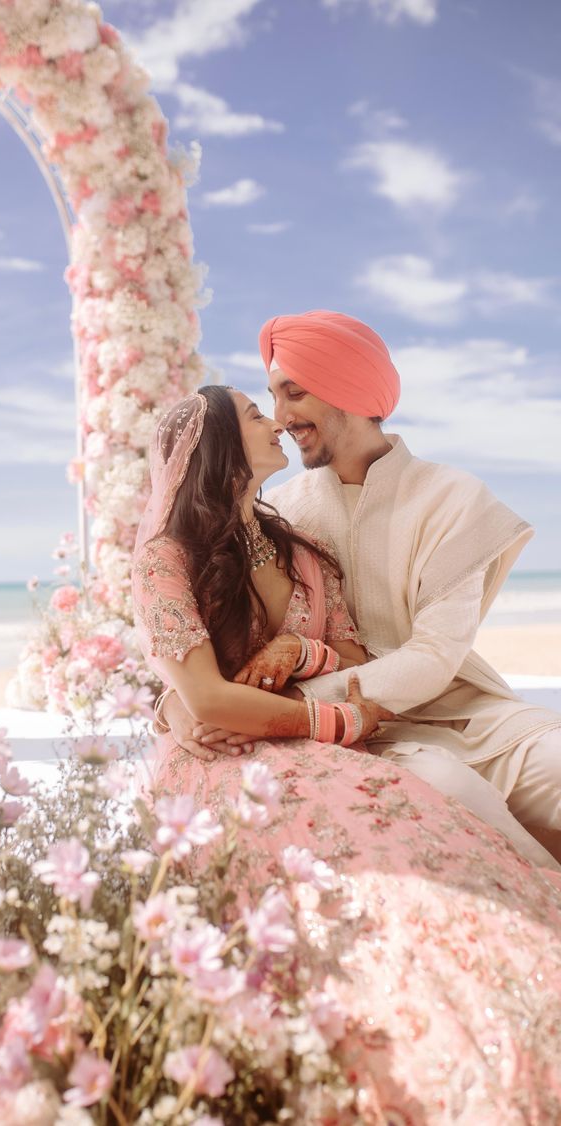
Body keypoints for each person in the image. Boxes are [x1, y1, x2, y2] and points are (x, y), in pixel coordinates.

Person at [131, 385, 561, 1117]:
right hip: (223, 763)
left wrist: (301, 654)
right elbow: (203, 700)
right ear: (222, 449)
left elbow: (354, 651)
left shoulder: (297, 542)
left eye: (278, 401)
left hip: (315, 738)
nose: (273, 419)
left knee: (452, 802)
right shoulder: (165, 558)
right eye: (256, 413)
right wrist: (193, 707)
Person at [164, 311, 561, 863]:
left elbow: (431, 659)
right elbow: (206, 624)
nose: (281, 418)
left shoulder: (454, 500)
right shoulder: (283, 512)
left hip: (466, 714)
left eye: (294, 393)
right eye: (271, 399)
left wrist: (281, 702)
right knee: (453, 796)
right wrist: (182, 703)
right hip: (355, 738)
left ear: (346, 389)